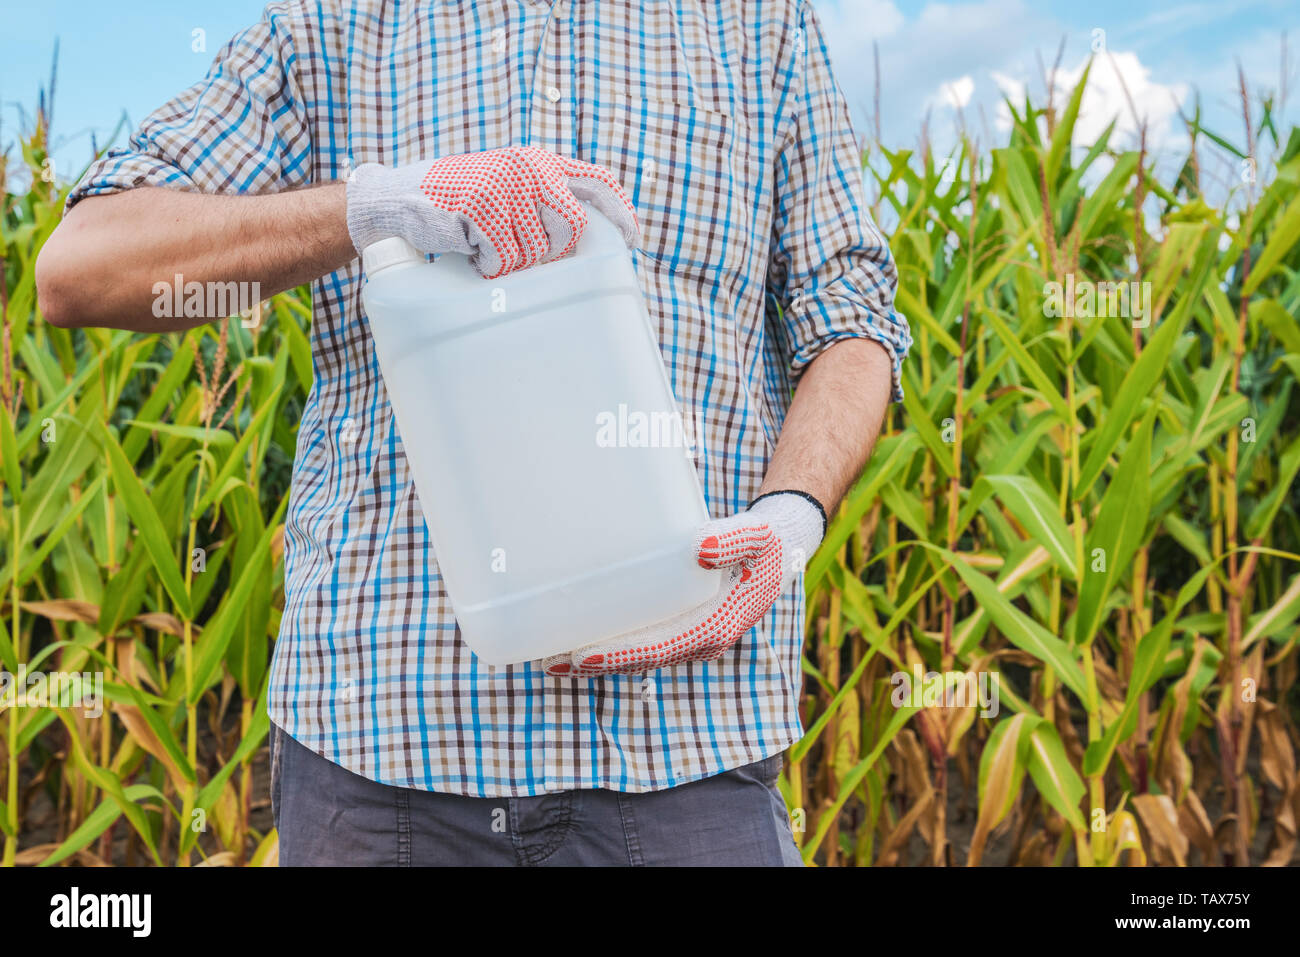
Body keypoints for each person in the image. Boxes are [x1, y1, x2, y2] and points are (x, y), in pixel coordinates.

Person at [36, 0, 911, 866]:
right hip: (381, 772)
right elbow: (85, 266)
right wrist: (371, 205)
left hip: (691, 750)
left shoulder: (759, 26)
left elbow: (852, 317)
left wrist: (793, 518)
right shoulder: (331, 25)